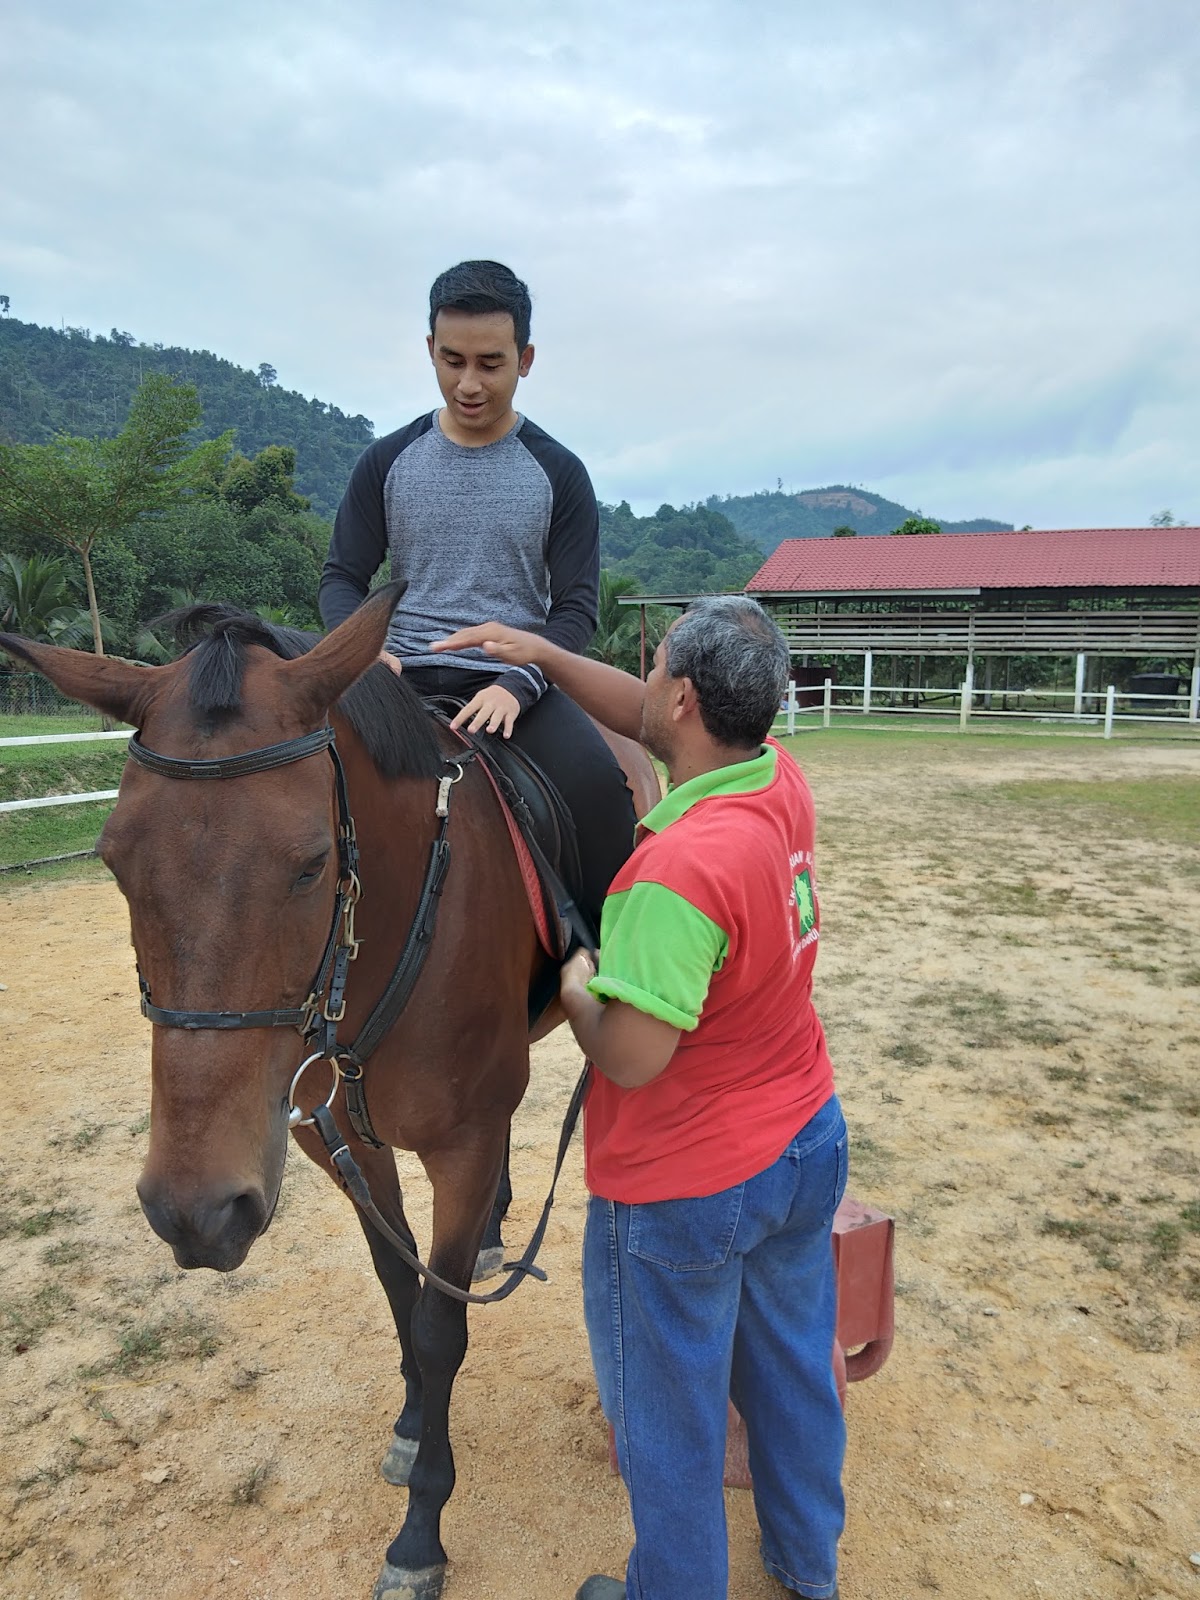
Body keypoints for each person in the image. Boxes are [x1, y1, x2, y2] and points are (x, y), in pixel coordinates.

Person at [432, 598, 847, 1600]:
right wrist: (540, 653)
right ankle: (806, 1562)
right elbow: (648, 715)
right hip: (803, 1137)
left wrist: (578, 981)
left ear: (687, 697)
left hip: (686, 1185)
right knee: (792, 1369)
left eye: (653, 668)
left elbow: (632, 1057)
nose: (645, 681)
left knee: (668, 1418)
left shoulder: (676, 872)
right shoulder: (771, 778)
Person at [319, 258, 634, 930]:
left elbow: (575, 608)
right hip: (395, 679)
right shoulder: (385, 461)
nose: (468, 383)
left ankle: (603, 956)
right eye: (452, 359)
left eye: (490, 363)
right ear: (430, 349)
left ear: (525, 359)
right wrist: (363, 656)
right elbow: (343, 579)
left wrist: (520, 681)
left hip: (513, 684)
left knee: (605, 790)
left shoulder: (558, 472)